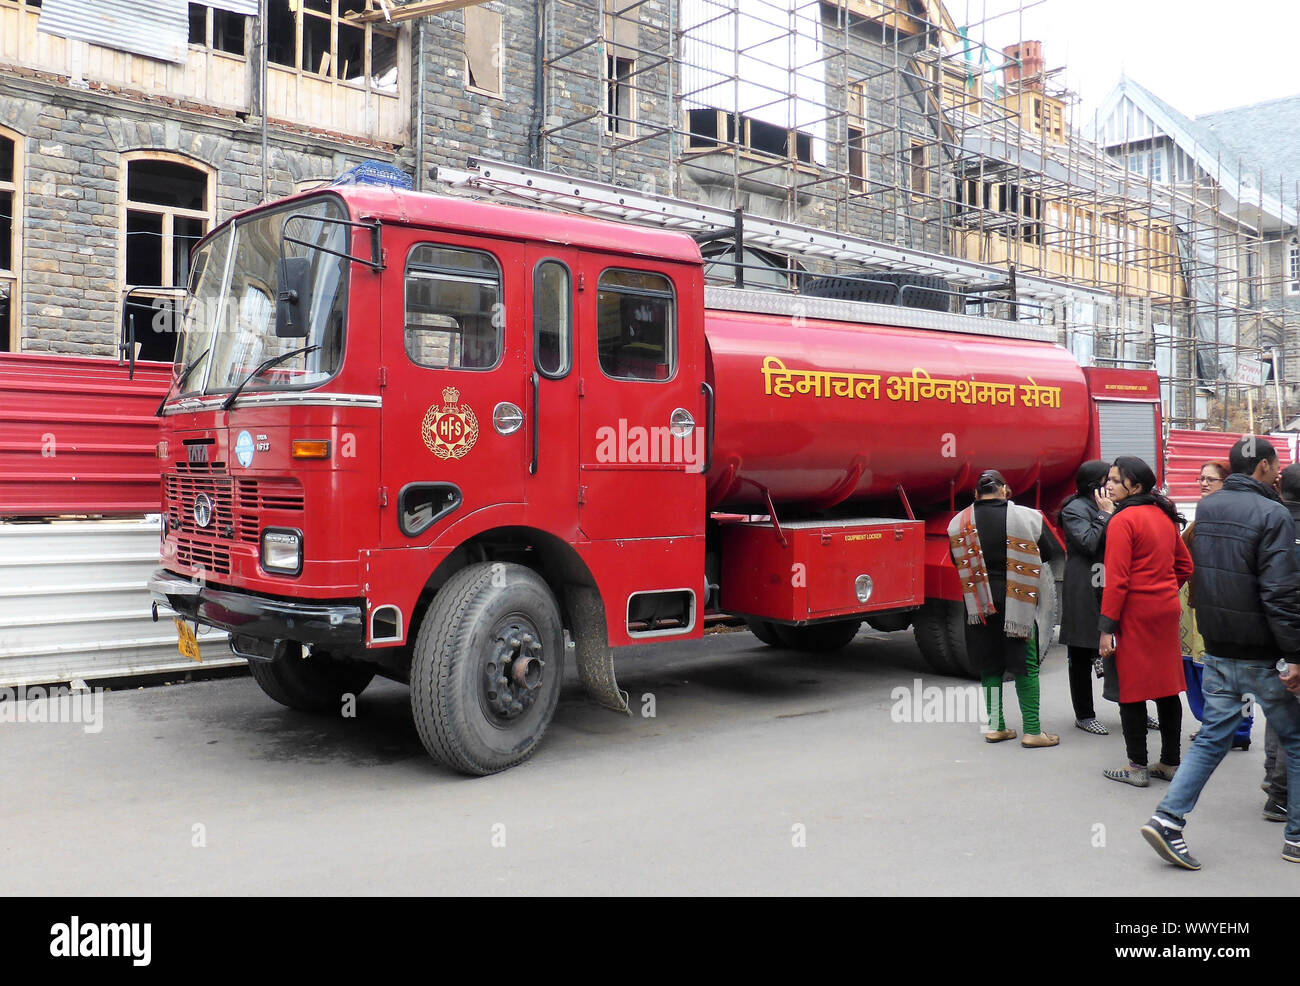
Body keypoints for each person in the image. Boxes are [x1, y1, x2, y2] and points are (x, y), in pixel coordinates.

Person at [1141, 437, 1300, 869]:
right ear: (1265, 468)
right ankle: (1296, 838)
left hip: (1219, 644)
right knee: (1296, 739)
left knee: (1213, 735)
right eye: (1274, 465)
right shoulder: (1274, 514)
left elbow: (1201, 573)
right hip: (1262, 650)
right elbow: (1280, 592)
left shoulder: (1208, 509)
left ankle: (1168, 819)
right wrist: (1294, 652)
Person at [947, 469, 1062, 748]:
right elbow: (1045, 553)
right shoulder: (1026, 517)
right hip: (1017, 603)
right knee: (1025, 664)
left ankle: (996, 727)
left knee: (989, 665)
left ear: (976, 494)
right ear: (1005, 490)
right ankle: (1033, 731)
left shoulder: (957, 523)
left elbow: (956, 559)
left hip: (980, 604)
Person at [1097, 455, 1192, 787]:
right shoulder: (1164, 517)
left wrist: (1106, 628)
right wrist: (1163, 590)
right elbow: (1185, 567)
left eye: (1114, 480)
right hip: (1165, 611)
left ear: (1134, 486)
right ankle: (1169, 763)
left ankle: (1136, 766)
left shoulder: (1122, 521)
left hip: (1134, 613)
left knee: (1132, 690)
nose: (1107, 485)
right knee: (1166, 688)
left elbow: (1117, 580)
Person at [1180, 460, 1253, 749]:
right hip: (1193, 607)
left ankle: (1238, 731)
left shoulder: (1237, 517)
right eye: (1201, 478)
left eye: (1211, 479)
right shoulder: (1199, 517)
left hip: (1224, 606)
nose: (1204, 483)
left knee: (1232, 673)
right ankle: (1212, 725)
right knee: (1197, 670)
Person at [1057, 460, 1112, 735]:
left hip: (1109, 582)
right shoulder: (1074, 509)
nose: (1112, 485)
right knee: (1080, 651)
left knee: (1120, 648)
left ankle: (1134, 705)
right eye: (1108, 480)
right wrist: (1104, 515)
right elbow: (1089, 542)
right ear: (1095, 487)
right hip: (1083, 585)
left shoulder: (1114, 505)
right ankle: (1084, 714)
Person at [1261, 462, 1300, 822]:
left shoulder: (1270, 522)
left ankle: (1272, 774)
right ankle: (1281, 795)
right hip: (1294, 638)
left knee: (1279, 707)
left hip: (1270, 634)